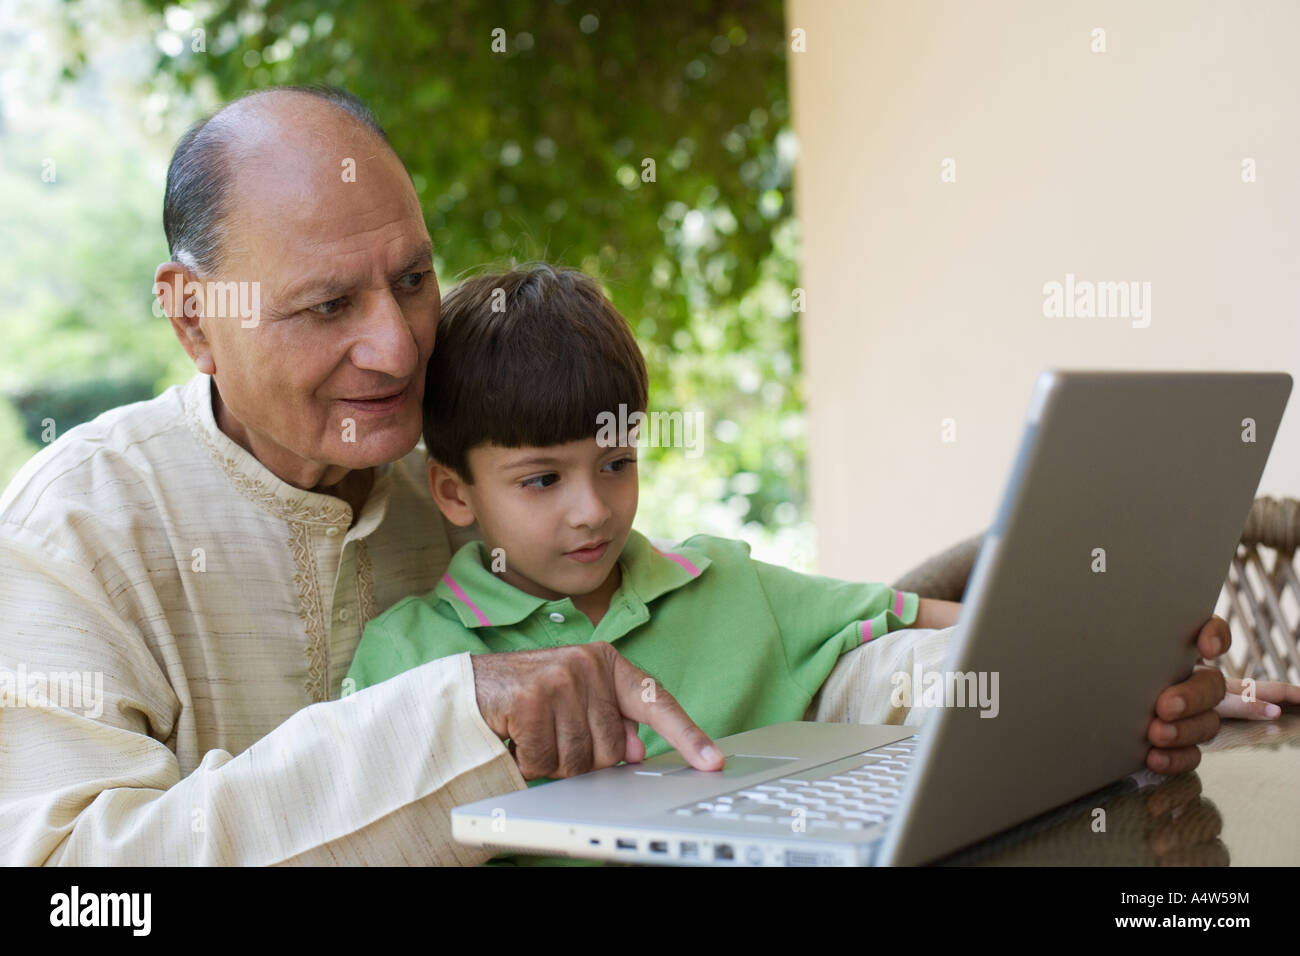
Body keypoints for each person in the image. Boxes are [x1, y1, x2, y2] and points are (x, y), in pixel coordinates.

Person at [0, 86, 1258, 867]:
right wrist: (461, 712)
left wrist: (1059, 679)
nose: (395, 346)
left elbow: (734, 652)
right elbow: (75, 883)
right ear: (189, 314)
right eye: (326, 304)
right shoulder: (78, 527)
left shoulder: (460, 445)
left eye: (413, 279)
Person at [346, 264, 967, 784]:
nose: (593, 510)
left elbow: (934, 617)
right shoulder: (408, 655)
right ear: (455, 494)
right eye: (543, 480)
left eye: (616, 463)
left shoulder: (729, 585)